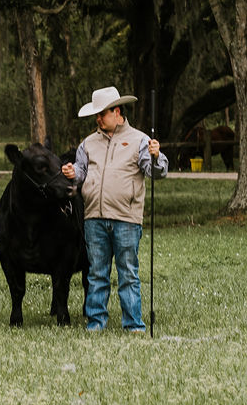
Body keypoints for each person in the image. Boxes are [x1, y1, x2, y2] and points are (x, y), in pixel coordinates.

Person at [61, 86, 168, 333]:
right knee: (96, 274)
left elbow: (156, 172)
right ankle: (96, 323)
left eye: (103, 113)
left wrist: (156, 155)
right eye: (96, 114)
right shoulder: (88, 143)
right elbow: (81, 172)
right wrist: (72, 173)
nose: (98, 119)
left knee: (128, 274)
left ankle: (133, 325)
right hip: (94, 219)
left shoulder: (140, 140)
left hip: (126, 219)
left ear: (117, 111)